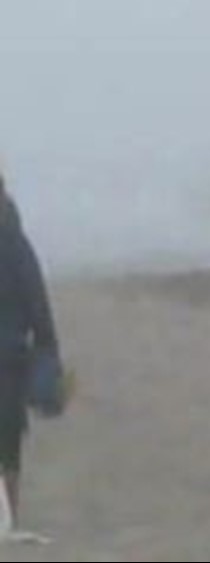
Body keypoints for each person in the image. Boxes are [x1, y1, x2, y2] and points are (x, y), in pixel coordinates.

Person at [0, 186, 61, 536]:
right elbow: (37, 299)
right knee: (7, 440)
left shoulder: (14, 242)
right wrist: (48, 346)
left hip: (8, 356)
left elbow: (36, 300)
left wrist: (47, 347)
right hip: (10, 356)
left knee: (6, 438)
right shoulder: (17, 243)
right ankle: (9, 520)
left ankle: (8, 519)